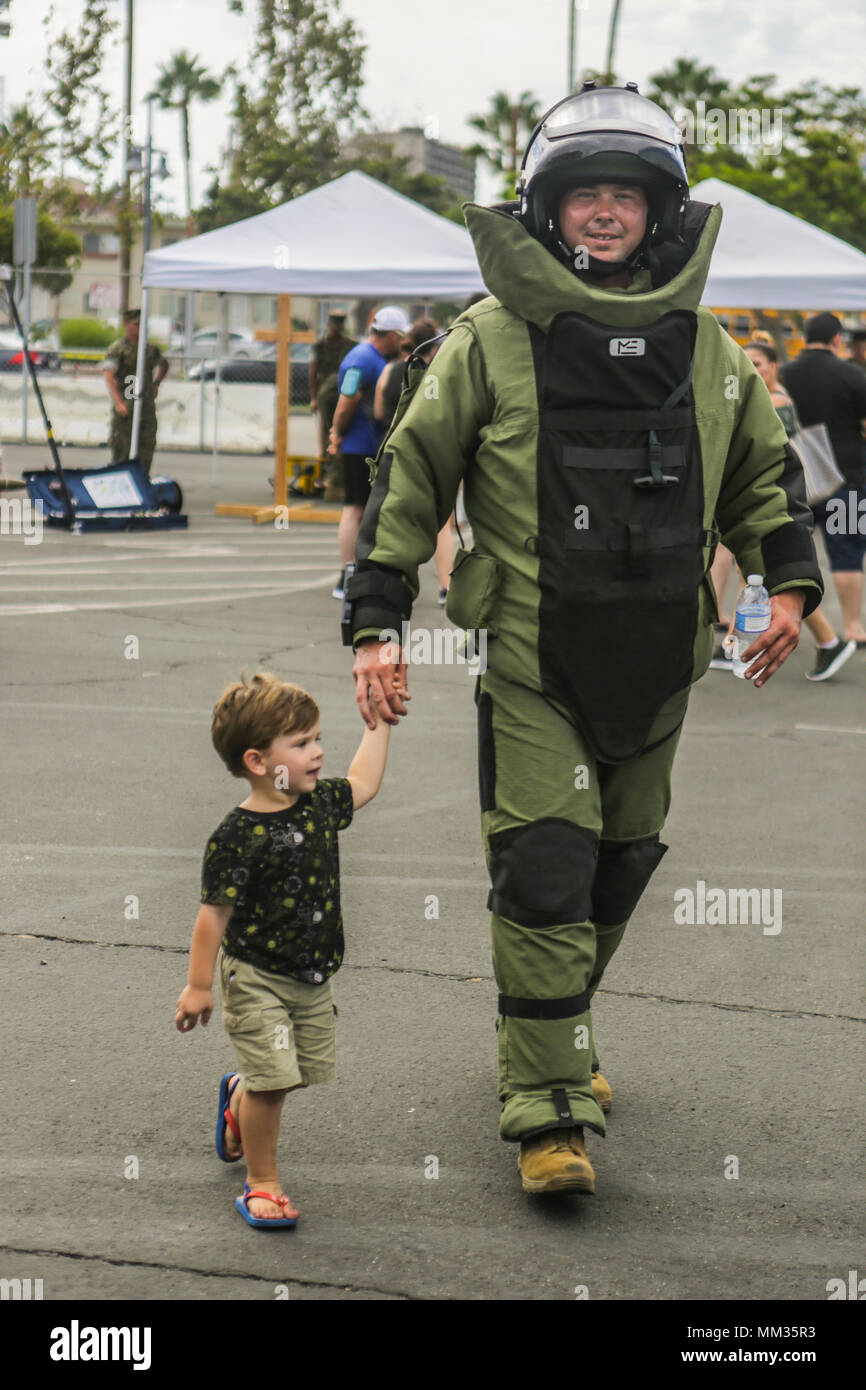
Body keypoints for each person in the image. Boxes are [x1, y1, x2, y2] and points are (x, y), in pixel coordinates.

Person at [341, 82, 823, 1196]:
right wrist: (377, 617)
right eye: (582, 197)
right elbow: (406, 477)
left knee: (616, 867)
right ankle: (547, 1109)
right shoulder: (488, 343)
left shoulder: (707, 353)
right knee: (549, 867)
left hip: (659, 662)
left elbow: (762, 481)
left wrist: (787, 588)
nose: (602, 213)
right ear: (546, 211)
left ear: (656, 214)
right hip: (529, 658)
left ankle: (552, 1026)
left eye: (623, 196)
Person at [174, 671, 393, 1226]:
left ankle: (238, 1097)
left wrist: (381, 722)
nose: (318, 752)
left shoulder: (318, 804)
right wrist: (200, 986)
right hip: (255, 976)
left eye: (317, 739)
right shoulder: (236, 836)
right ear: (256, 762)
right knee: (273, 1084)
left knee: (290, 1075)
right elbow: (212, 916)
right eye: (301, 744)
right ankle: (262, 1184)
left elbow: (363, 783)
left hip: (312, 974)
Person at [744, 340, 856, 680]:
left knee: (769, 571)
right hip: (768, 499)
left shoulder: (775, 402)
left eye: (759, 363)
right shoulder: (775, 398)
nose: (753, 369)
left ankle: (829, 640)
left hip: (772, 501)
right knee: (755, 572)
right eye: (748, 363)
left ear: (775, 366)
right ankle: (739, 639)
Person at [781, 313, 866, 647]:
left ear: (804, 338)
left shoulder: (784, 374)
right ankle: (853, 627)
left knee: (793, 555)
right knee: (848, 553)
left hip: (796, 483)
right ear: (836, 340)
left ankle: (799, 624)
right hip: (848, 482)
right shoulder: (852, 375)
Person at [329, 305, 411, 600]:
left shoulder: (373, 357)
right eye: (400, 336)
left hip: (367, 446)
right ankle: (346, 574)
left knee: (364, 511)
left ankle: (356, 573)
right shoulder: (361, 359)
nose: (402, 342)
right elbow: (346, 399)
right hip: (359, 448)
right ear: (390, 335)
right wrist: (337, 433)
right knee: (355, 509)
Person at [374, 318, 456, 605]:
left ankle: (389, 589)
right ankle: (446, 585)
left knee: (394, 521)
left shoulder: (390, 370)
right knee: (442, 523)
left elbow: (378, 410)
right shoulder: (438, 372)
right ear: (433, 347)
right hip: (431, 451)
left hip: (393, 449)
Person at [102, 309, 168, 475]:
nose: (140, 328)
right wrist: (118, 402)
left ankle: (142, 481)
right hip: (127, 405)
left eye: (142, 324)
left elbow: (164, 364)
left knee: (146, 446)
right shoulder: (118, 349)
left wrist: (156, 383)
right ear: (127, 325)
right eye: (136, 324)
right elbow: (109, 375)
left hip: (146, 406)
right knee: (122, 449)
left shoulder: (149, 349)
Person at [310, 311, 357, 499]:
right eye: (333, 325)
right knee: (326, 433)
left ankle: (337, 476)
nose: (336, 330)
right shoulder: (320, 346)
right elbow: (313, 373)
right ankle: (326, 472)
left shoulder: (350, 345)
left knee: (340, 431)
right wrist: (313, 398)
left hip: (342, 394)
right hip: (325, 395)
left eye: (339, 326)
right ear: (329, 325)